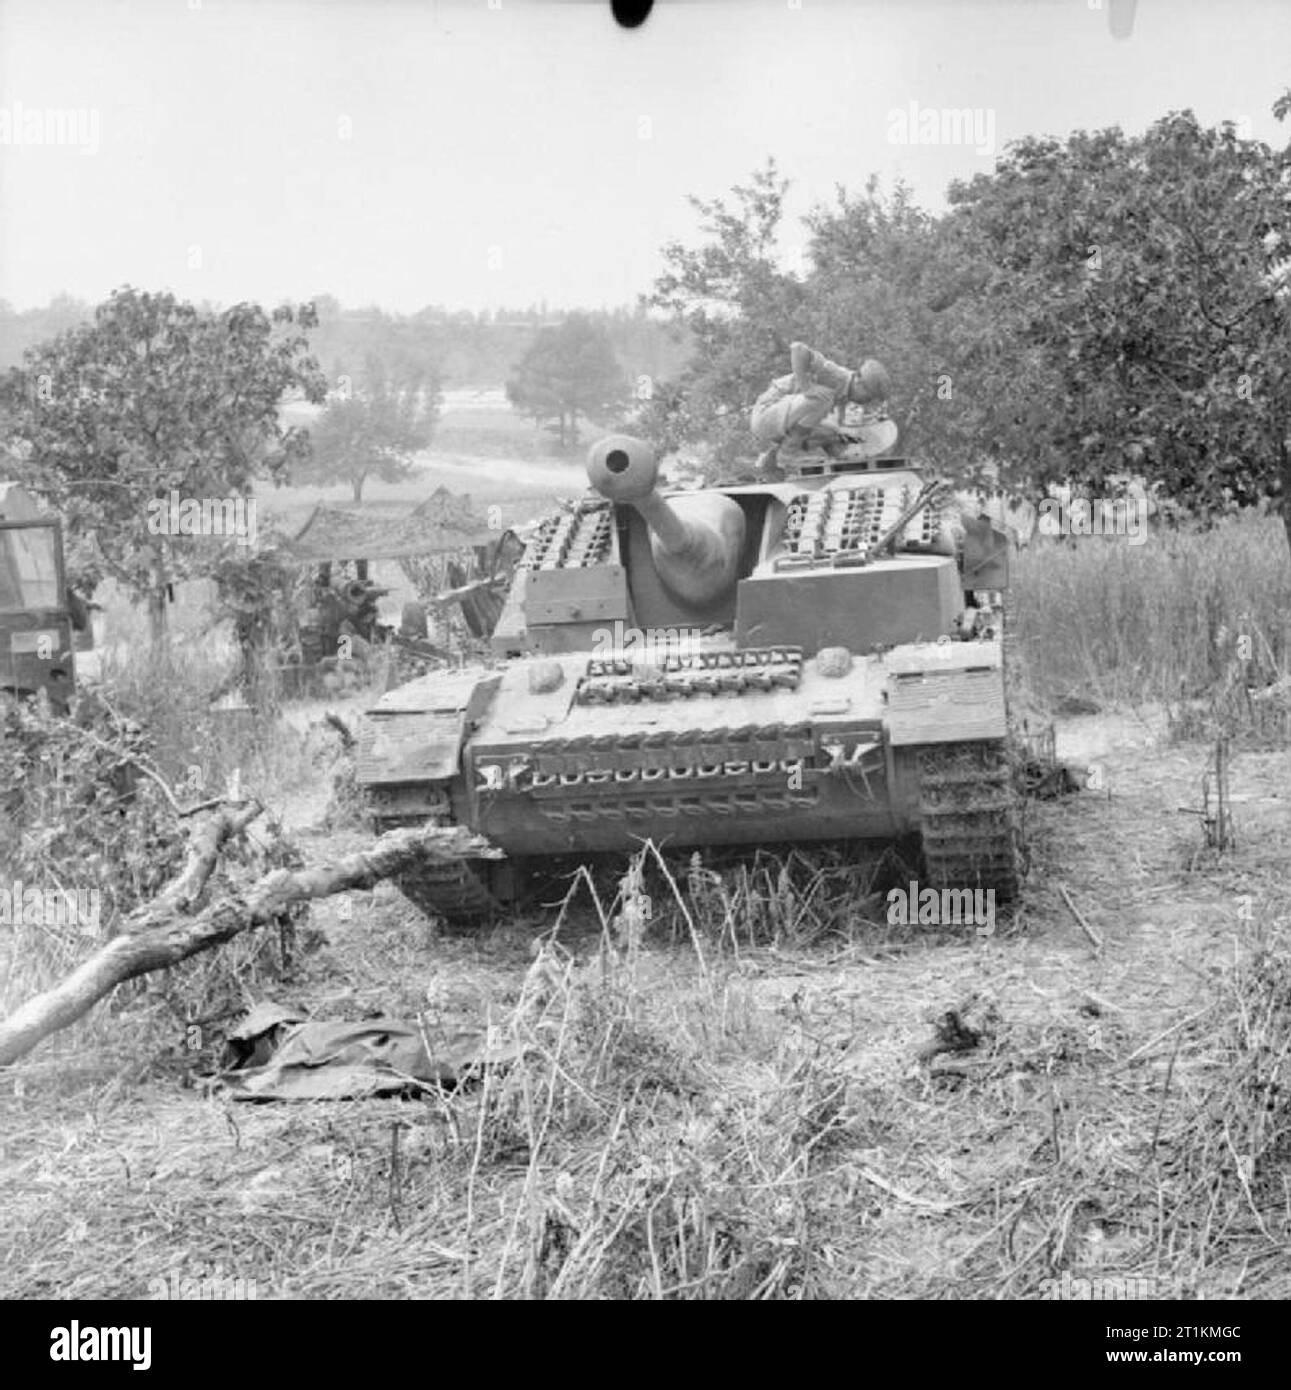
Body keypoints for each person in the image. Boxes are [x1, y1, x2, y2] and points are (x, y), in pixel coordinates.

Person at [750, 342, 891, 467]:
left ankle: (771, 459)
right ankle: (786, 455)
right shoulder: (836, 375)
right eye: (869, 396)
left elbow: (831, 439)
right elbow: (798, 349)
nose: (867, 401)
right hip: (765, 414)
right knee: (824, 399)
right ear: (860, 383)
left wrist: (850, 460)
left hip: (779, 422)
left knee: (836, 431)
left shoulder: (844, 398)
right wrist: (807, 388)